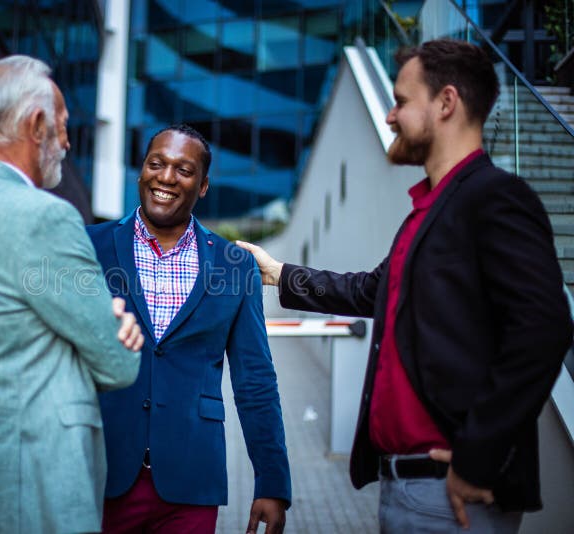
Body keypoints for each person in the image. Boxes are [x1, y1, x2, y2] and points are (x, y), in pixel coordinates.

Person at [238, 39, 573, 532]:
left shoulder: (496, 197)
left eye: (400, 100)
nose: (391, 116)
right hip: (405, 487)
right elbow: (372, 291)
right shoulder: (430, 209)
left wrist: (478, 456)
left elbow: (544, 328)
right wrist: (280, 273)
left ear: (446, 103)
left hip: (453, 494)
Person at [0, 55, 143, 533]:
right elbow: (117, 365)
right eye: (61, 125)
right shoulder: (45, 218)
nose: (67, 141)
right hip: (33, 498)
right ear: (36, 124)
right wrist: (111, 323)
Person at [86, 124, 291, 534]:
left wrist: (272, 482)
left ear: (203, 186)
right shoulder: (88, 246)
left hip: (191, 480)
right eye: (156, 164)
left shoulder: (236, 267)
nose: (165, 177)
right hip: (100, 472)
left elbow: (255, 380)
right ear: (141, 170)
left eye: (183, 169)